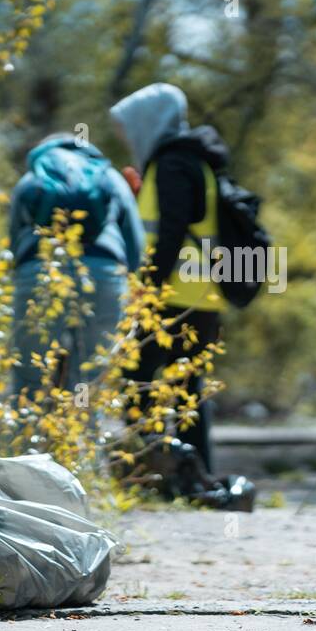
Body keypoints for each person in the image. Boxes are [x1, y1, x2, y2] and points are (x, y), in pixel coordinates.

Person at [109, 83, 226, 475]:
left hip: (171, 297)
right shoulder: (193, 160)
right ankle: (194, 475)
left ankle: (142, 469)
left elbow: (172, 231)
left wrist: (147, 290)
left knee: (137, 380)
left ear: (149, 123)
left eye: (131, 128)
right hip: (200, 295)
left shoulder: (172, 163)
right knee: (187, 391)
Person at [8, 132, 143, 399]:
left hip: (40, 272)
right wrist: (130, 281)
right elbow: (134, 240)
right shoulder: (110, 177)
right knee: (91, 376)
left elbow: (14, 239)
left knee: (30, 377)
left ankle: (30, 439)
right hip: (104, 275)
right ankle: (85, 438)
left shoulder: (32, 178)